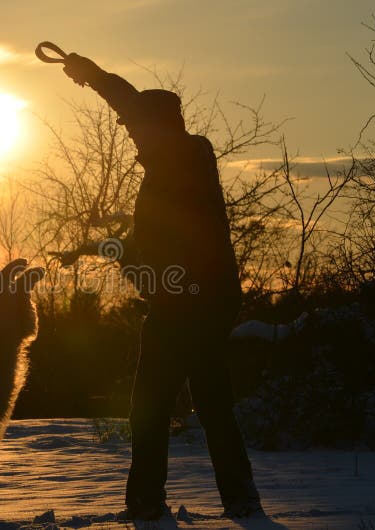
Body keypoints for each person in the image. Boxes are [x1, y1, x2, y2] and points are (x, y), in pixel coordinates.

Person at [60, 52, 263, 519]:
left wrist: (95, 77)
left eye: (136, 128)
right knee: (209, 406)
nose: (130, 134)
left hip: (191, 304)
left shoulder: (186, 155)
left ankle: (149, 505)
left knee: (158, 408)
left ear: (159, 127)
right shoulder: (170, 167)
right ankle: (236, 502)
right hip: (191, 301)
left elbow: (129, 103)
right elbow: (148, 243)